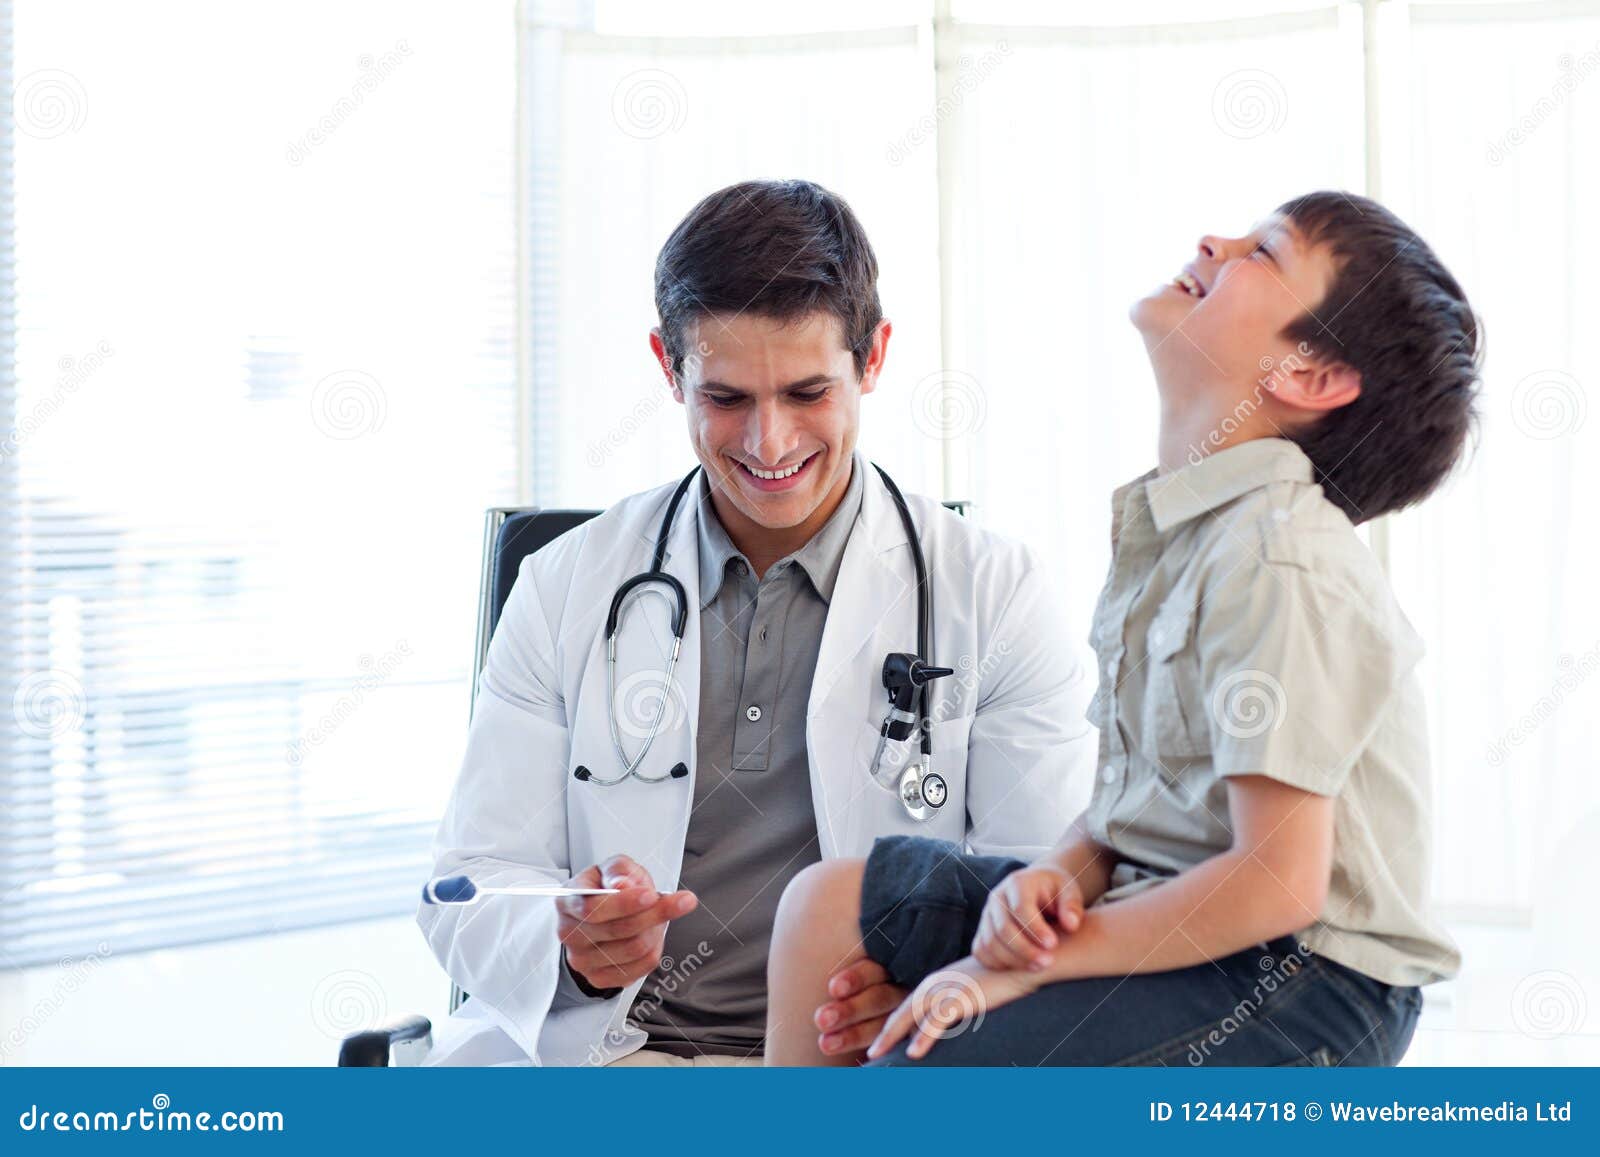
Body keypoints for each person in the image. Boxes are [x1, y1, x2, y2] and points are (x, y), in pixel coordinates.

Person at [765, 191, 1476, 1067]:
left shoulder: (1283, 556)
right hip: (1167, 904)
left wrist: (1027, 972)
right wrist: (1049, 882)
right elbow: (1132, 811)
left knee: (931, 1063)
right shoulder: (1176, 533)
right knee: (826, 907)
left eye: (1264, 253)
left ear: (1311, 375)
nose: (1216, 240)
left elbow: (1276, 879)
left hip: (1306, 982)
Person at [417, 179, 1095, 1066]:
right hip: (610, 1057)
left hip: (852, 1065)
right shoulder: (563, 584)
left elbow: (1044, 891)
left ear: (874, 358)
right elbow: (464, 886)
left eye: (808, 391)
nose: (769, 444)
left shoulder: (996, 594)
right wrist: (569, 941)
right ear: (669, 368)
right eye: (727, 398)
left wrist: (935, 981)